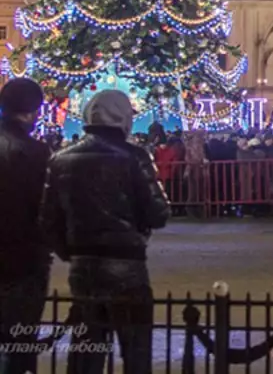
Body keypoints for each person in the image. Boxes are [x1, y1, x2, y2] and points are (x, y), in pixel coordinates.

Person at [40, 89, 170, 374]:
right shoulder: (135, 156)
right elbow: (159, 213)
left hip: (83, 266)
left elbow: (48, 220)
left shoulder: (61, 158)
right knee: (135, 349)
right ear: (122, 118)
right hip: (128, 264)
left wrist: (72, 251)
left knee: (87, 349)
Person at [0, 79, 51, 374]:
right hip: (23, 262)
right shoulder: (35, 152)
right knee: (19, 343)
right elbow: (44, 209)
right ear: (33, 111)